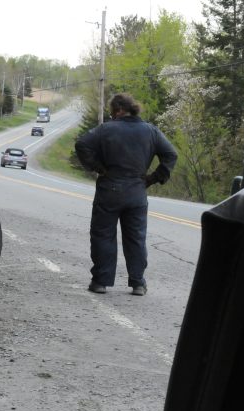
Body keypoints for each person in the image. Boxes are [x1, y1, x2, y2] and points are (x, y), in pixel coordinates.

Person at [74, 93, 177, 296]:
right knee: (136, 238)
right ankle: (138, 283)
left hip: (109, 190)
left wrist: (97, 167)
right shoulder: (151, 131)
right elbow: (171, 154)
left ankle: (101, 282)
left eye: (113, 112)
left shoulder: (106, 129)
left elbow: (82, 144)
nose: (112, 116)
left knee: (103, 235)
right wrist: (154, 178)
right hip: (137, 191)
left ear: (119, 110)